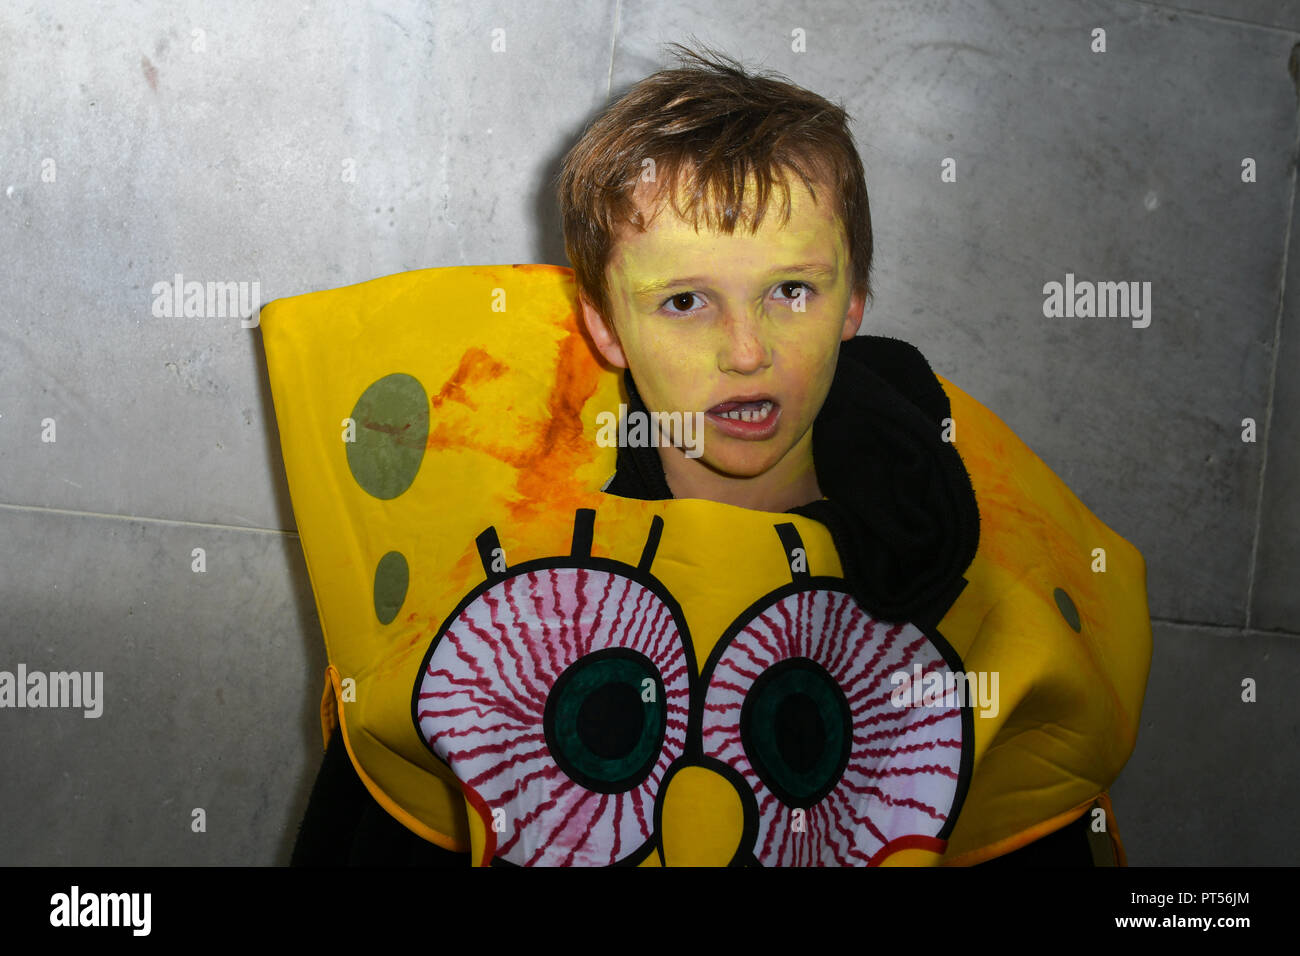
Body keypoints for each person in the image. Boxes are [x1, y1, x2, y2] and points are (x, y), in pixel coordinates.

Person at [292, 43, 1125, 867]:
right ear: (605, 326)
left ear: (853, 302)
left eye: (790, 291)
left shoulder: (987, 600)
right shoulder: (492, 575)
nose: (746, 352)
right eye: (685, 300)